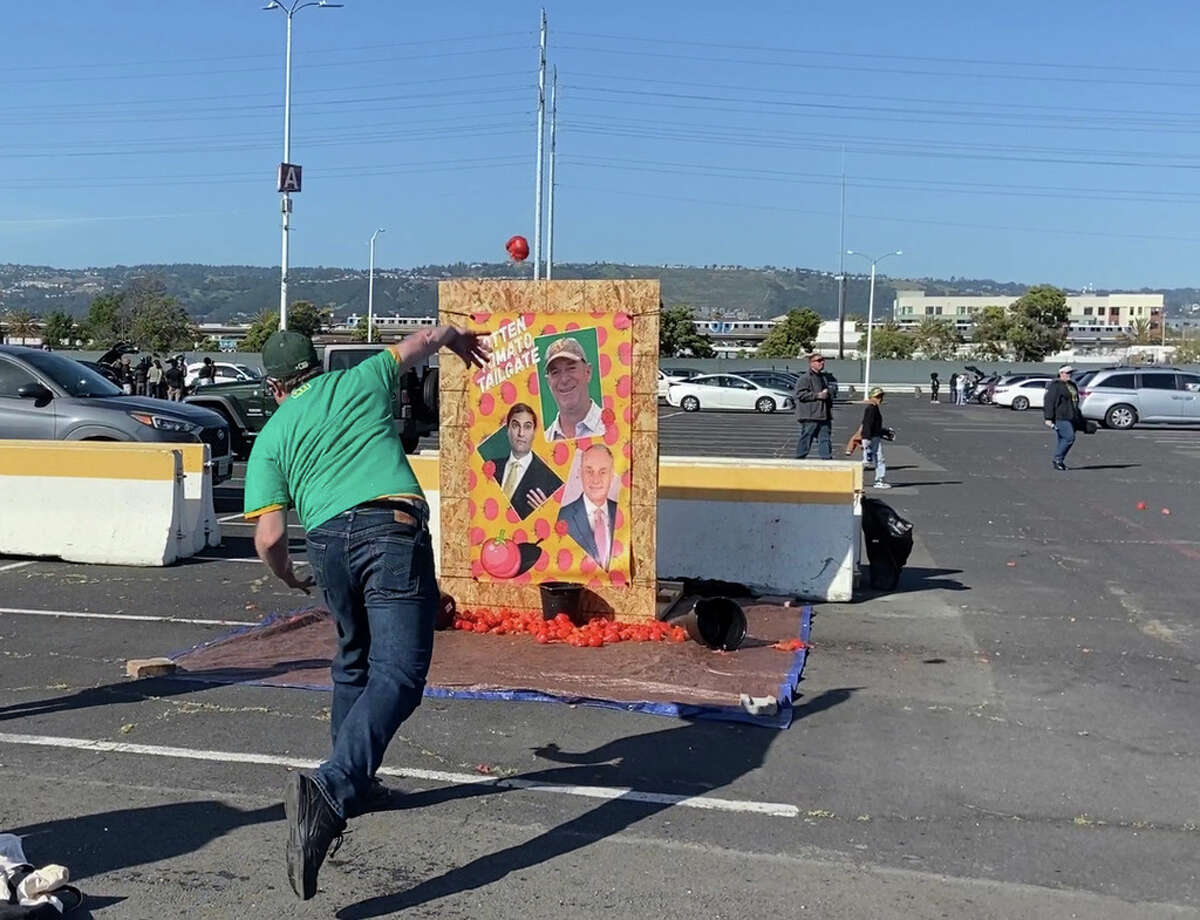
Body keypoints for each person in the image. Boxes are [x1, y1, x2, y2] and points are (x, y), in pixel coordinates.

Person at [242, 324, 490, 901]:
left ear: (275, 385)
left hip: (327, 546)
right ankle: (331, 788)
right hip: (389, 529)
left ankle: (355, 782)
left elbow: (270, 536)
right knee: (400, 675)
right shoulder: (361, 378)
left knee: (353, 659)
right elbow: (424, 340)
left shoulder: (273, 432)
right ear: (318, 363)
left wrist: (289, 576)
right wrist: (454, 338)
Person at [492, 403, 563, 518]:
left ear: (534, 432)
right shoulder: (491, 468)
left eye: (527, 426)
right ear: (508, 429)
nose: (521, 433)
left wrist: (547, 513)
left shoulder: (552, 481)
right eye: (515, 426)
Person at [557, 444, 618, 569]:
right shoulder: (562, 517)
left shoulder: (623, 513)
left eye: (603, 472)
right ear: (580, 473)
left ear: (612, 475)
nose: (596, 480)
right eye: (589, 471)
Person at [543, 336, 604, 440]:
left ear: (588, 372)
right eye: (555, 372)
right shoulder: (543, 442)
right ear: (549, 382)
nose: (564, 379)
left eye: (571, 368)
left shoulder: (611, 428)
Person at [793, 352, 833, 459]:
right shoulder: (805, 378)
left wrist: (828, 395)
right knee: (806, 438)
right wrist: (817, 395)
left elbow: (826, 395)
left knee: (825, 439)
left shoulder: (823, 378)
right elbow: (800, 394)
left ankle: (827, 461)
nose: (822, 362)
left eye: (823, 360)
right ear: (811, 363)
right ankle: (799, 459)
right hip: (810, 416)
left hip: (823, 415)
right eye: (819, 360)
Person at [1043, 364, 1083, 471]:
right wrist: (1048, 418)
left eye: (1071, 373)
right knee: (1069, 438)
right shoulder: (1055, 385)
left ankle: (1059, 461)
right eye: (1067, 373)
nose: (1069, 375)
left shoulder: (1072, 385)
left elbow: (1075, 401)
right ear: (1061, 373)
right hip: (1060, 416)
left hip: (1071, 416)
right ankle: (1057, 459)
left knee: (1062, 439)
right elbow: (1049, 402)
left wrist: (1079, 416)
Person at [860, 387, 892, 489]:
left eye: (881, 396)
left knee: (879, 459)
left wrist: (883, 432)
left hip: (874, 437)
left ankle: (879, 480)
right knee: (867, 461)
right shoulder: (870, 409)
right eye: (878, 397)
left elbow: (874, 425)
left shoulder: (874, 408)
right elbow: (867, 424)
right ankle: (852, 476)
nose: (880, 399)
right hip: (870, 438)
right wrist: (866, 439)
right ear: (872, 397)